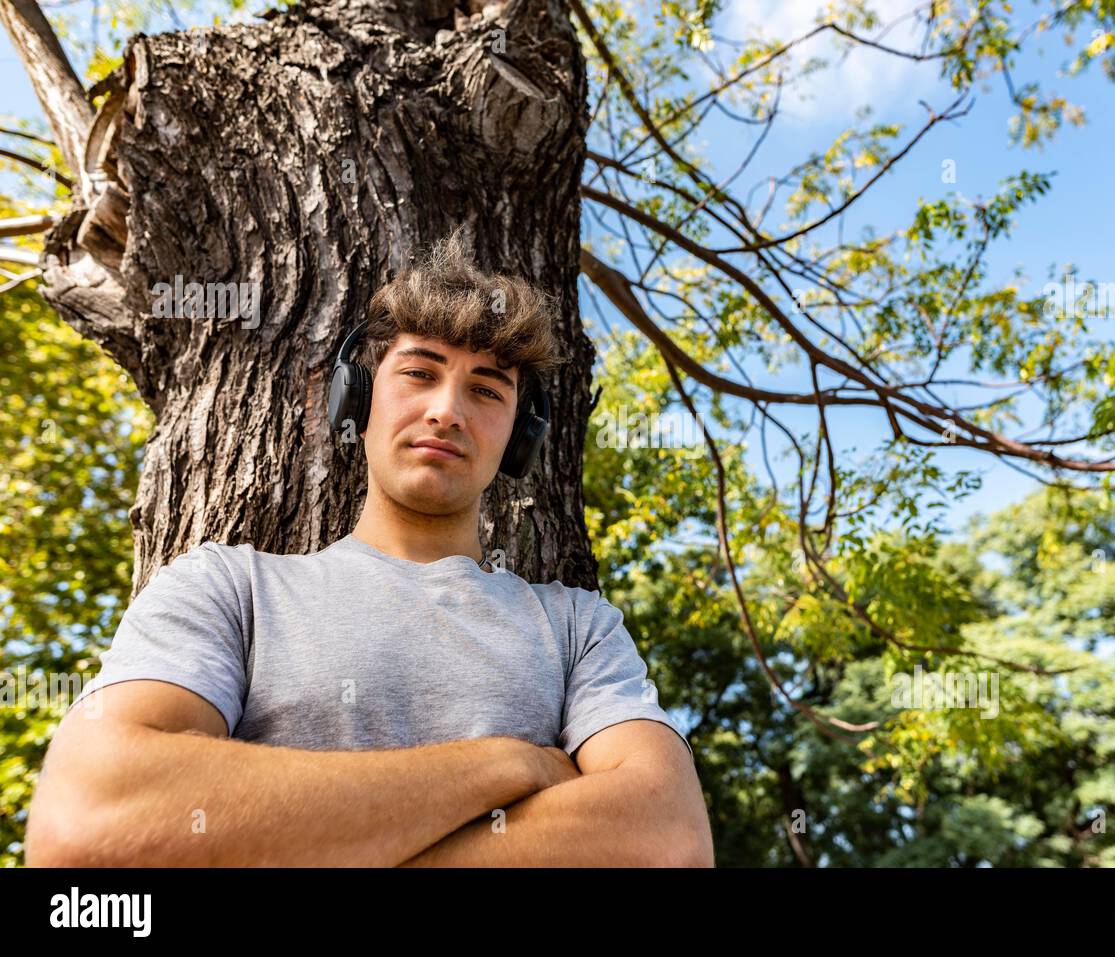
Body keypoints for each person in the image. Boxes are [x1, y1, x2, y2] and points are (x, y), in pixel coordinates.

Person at [25, 226, 712, 868]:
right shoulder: (227, 588)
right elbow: (89, 820)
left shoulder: (577, 627)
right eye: (419, 373)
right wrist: (513, 763)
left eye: (486, 388)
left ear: (519, 440)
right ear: (358, 398)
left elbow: (666, 836)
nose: (447, 409)